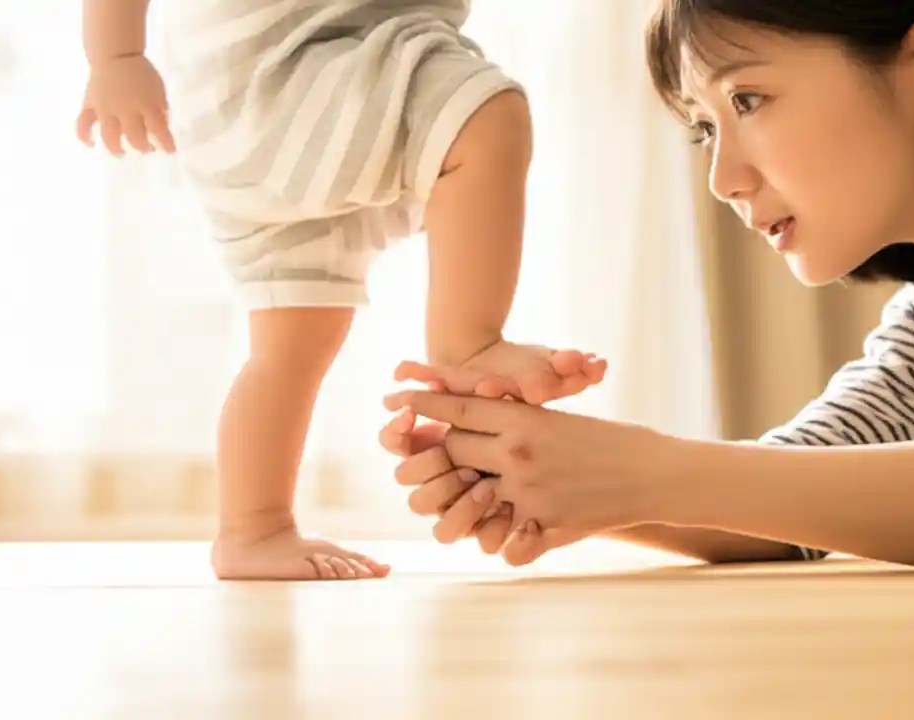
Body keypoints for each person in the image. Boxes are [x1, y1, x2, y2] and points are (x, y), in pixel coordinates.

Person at [381, 0, 914, 572]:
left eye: (747, 99)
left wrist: (642, 473)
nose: (723, 179)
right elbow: (799, 489)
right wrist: (554, 481)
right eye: (707, 127)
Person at [75, 0, 608, 580]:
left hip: (250, 107)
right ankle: (468, 343)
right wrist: (115, 55)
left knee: (291, 344)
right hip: (283, 73)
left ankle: (253, 529)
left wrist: (117, 59)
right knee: (484, 117)